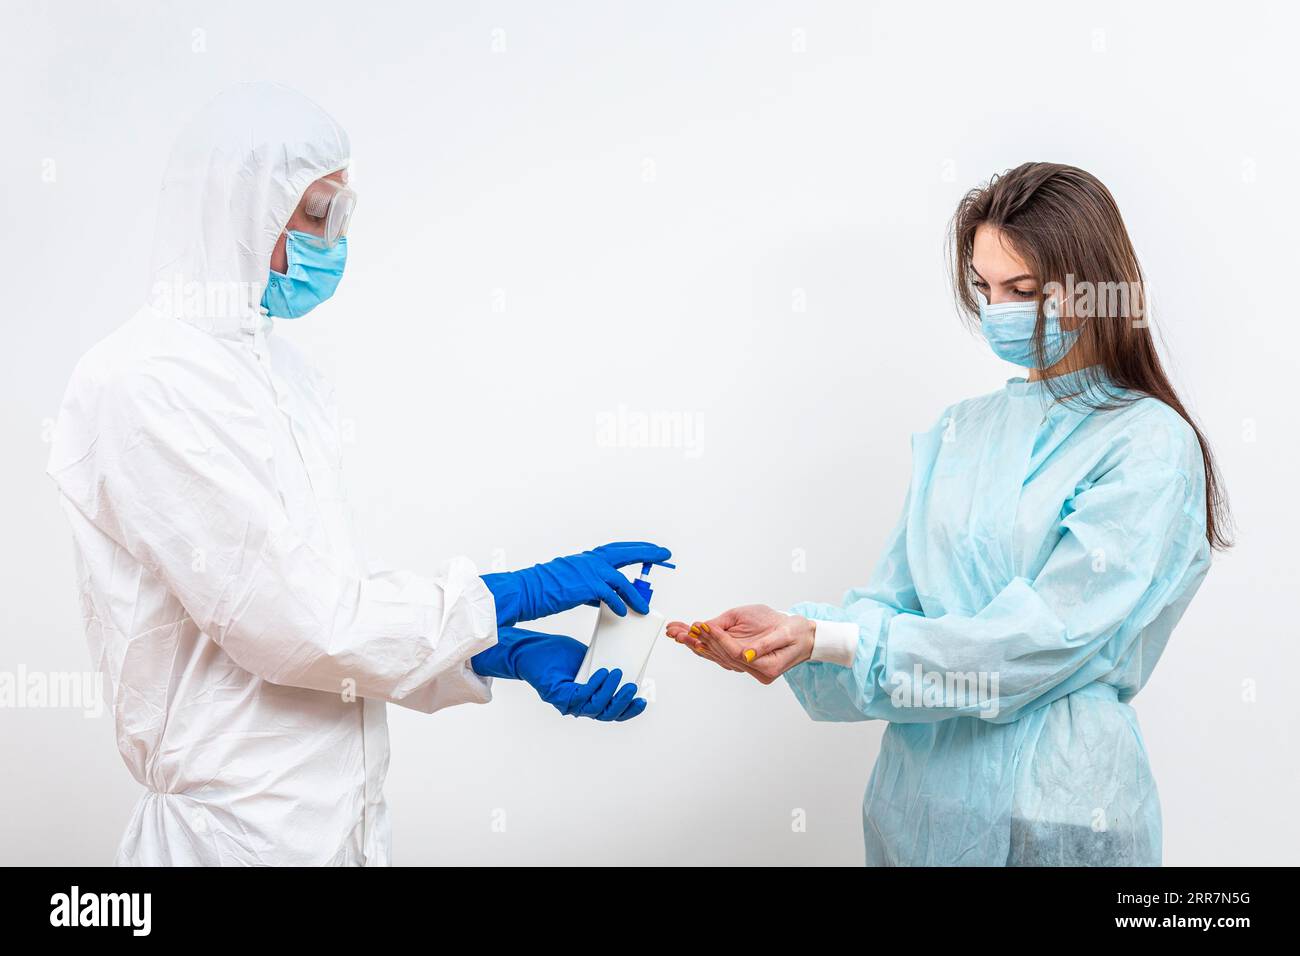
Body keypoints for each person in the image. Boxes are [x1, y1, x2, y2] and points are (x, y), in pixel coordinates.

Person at [46, 82, 668, 866]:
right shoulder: (141, 382)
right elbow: (299, 623)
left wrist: (499, 652)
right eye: (315, 215)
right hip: (226, 840)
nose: (332, 242)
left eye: (342, 215)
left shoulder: (282, 375)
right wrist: (521, 589)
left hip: (340, 823)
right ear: (236, 209)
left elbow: (338, 611)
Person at [668, 162, 1229, 866]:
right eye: (986, 288)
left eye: (1022, 291)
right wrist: (798, 636)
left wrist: (837, 641)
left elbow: (1035, 644)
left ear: (1091, 285)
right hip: (918, 814)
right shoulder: (959, 433)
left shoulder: (1148, 443)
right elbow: (893, 607)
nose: (999, 311)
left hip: (1057, 817)